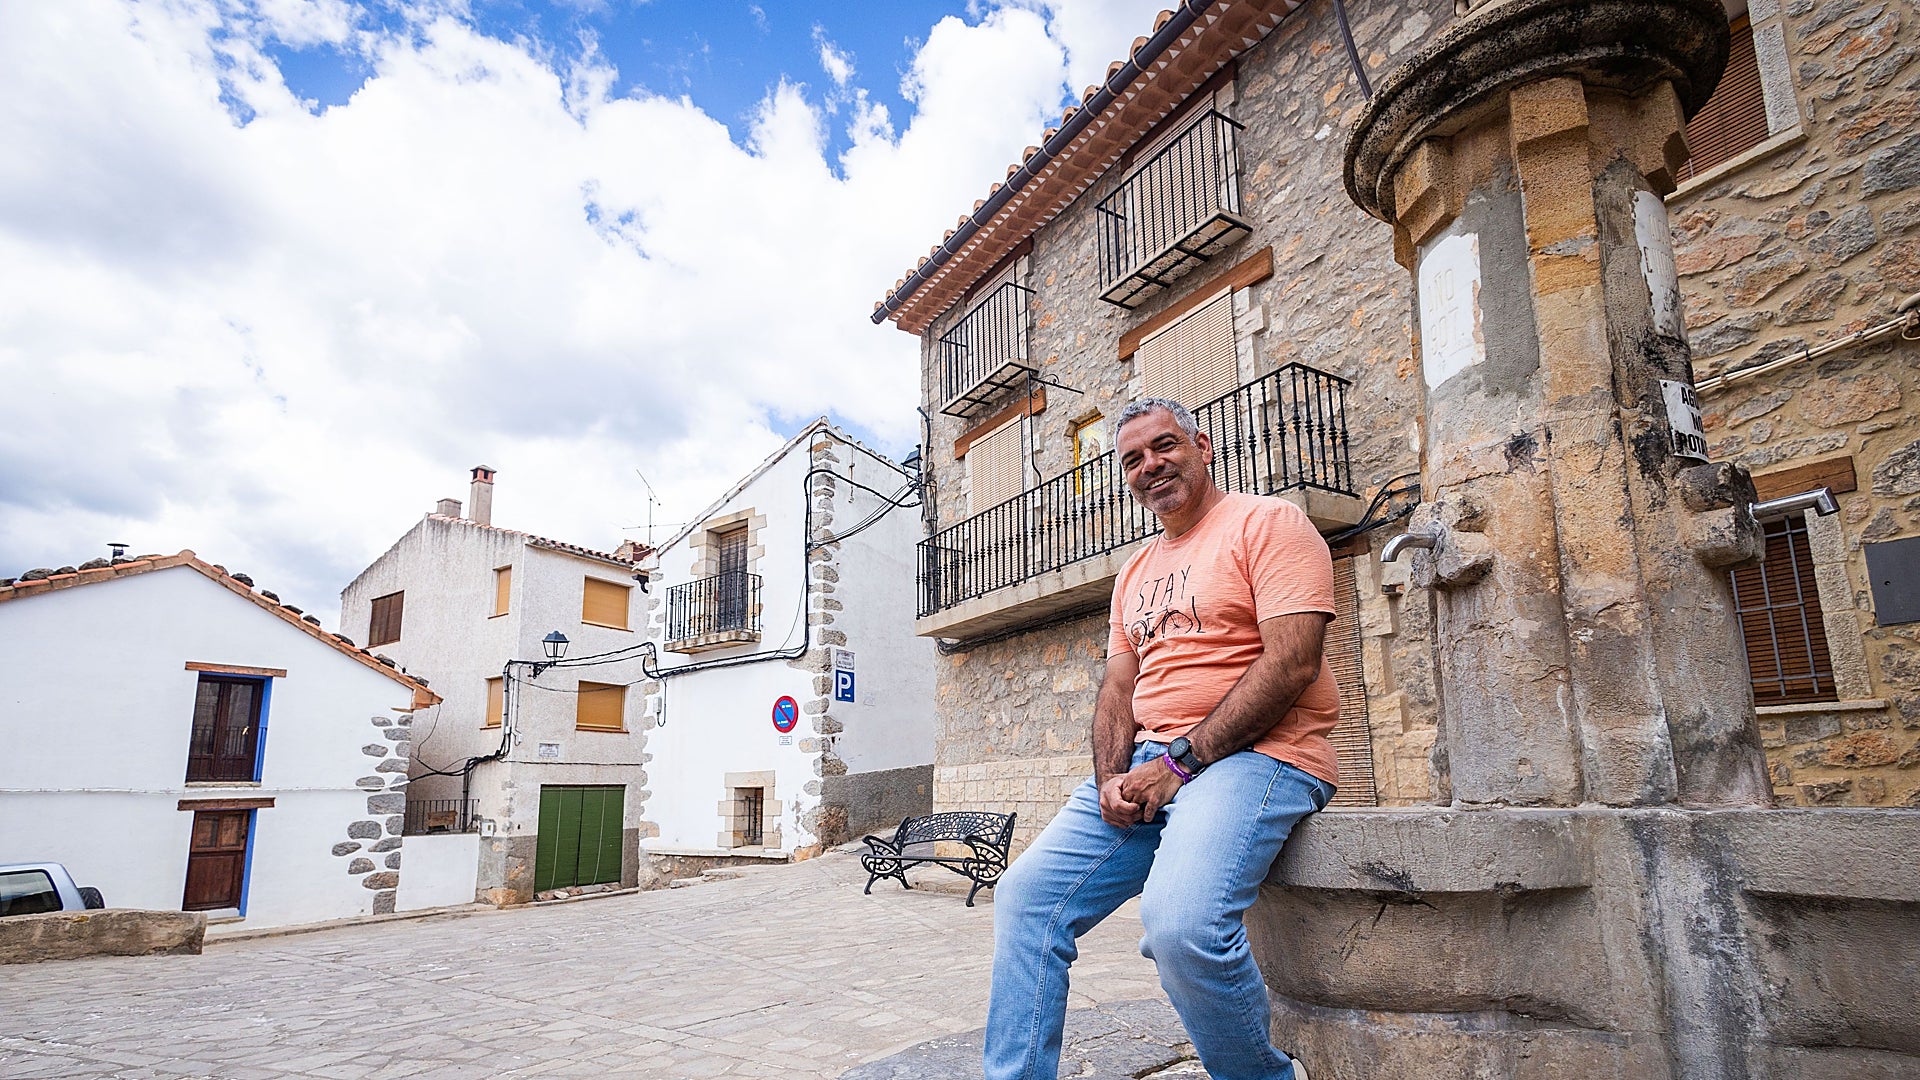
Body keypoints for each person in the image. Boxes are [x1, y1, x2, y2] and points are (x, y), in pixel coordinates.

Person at [983, 397, 1340, 1080]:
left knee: (1181, 928)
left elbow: (1293, 661)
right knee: (1025, 900)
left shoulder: (1268, 523)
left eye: (1165, 446)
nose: (1150, 465)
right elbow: (1119, 689)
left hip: (1261, 755)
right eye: (1133, 459)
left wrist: (1177, 764)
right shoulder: (1135, 571)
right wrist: (1108, 781)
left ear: (1202, 447)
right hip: (1154, 764)